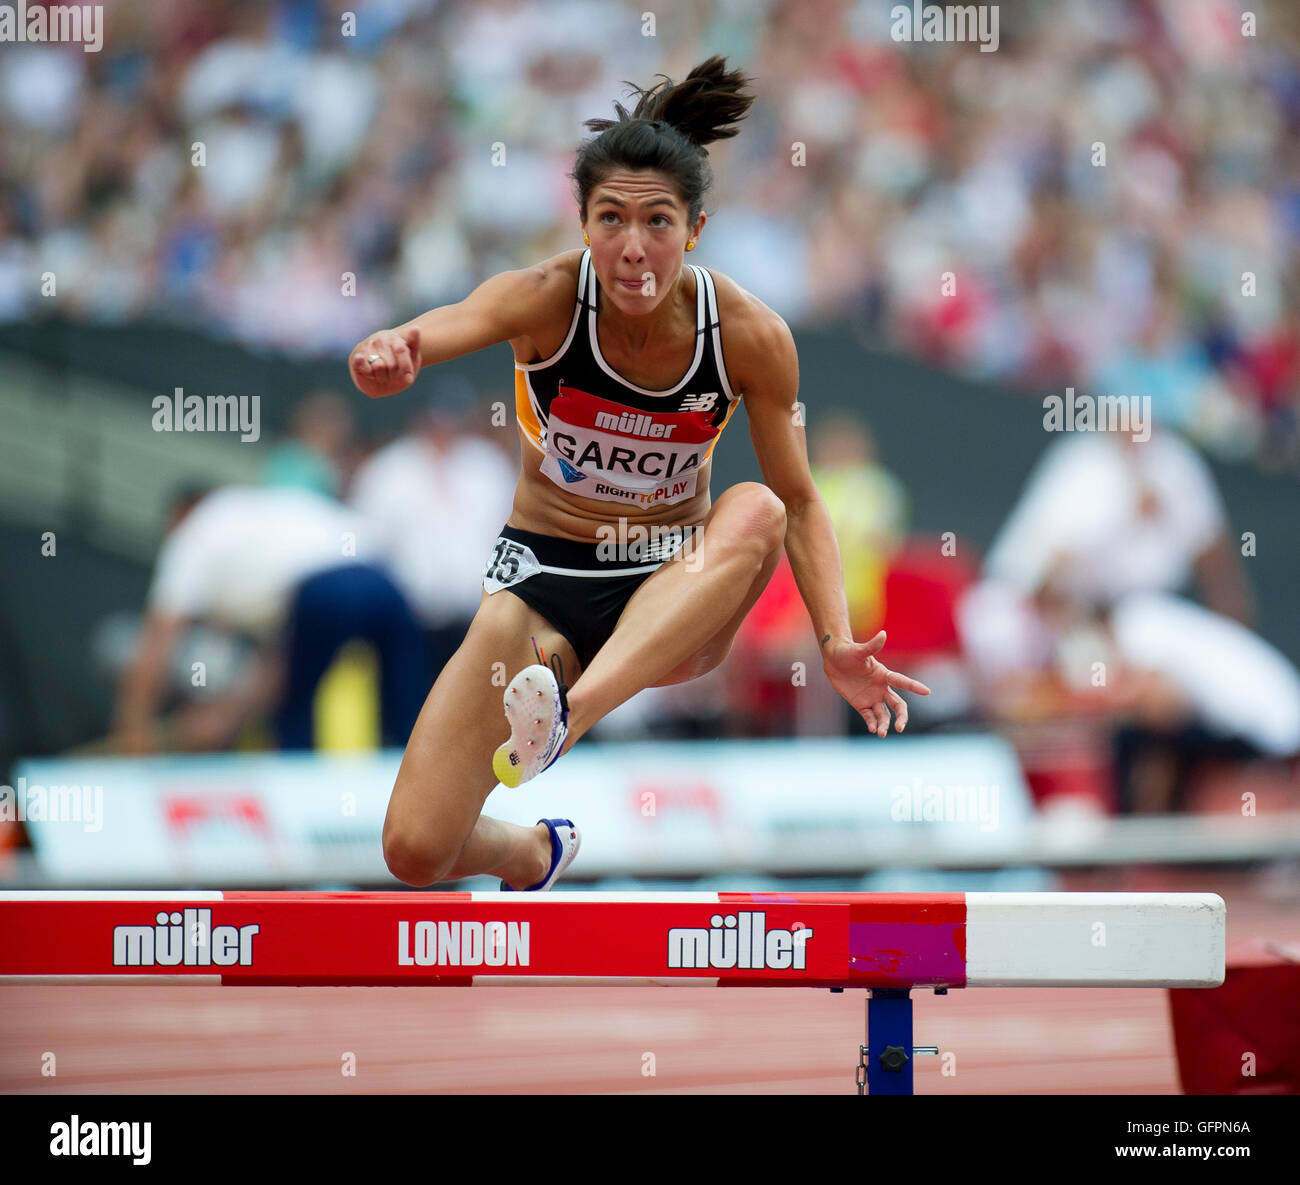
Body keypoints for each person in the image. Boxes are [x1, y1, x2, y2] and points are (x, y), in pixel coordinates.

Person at [348, 56, 929, 892]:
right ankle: (532, 850)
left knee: (757, 503)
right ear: (581, 224)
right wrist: (397, 346)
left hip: (672, 589)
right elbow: (454, 321)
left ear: (694, 230)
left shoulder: (748, 336)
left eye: (657, 222)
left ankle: (565, 722)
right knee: (413, 850)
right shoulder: (548, 298)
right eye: (610, 218)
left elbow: (803, 501)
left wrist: (835, 641)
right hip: (543, 586)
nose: (632, 248)